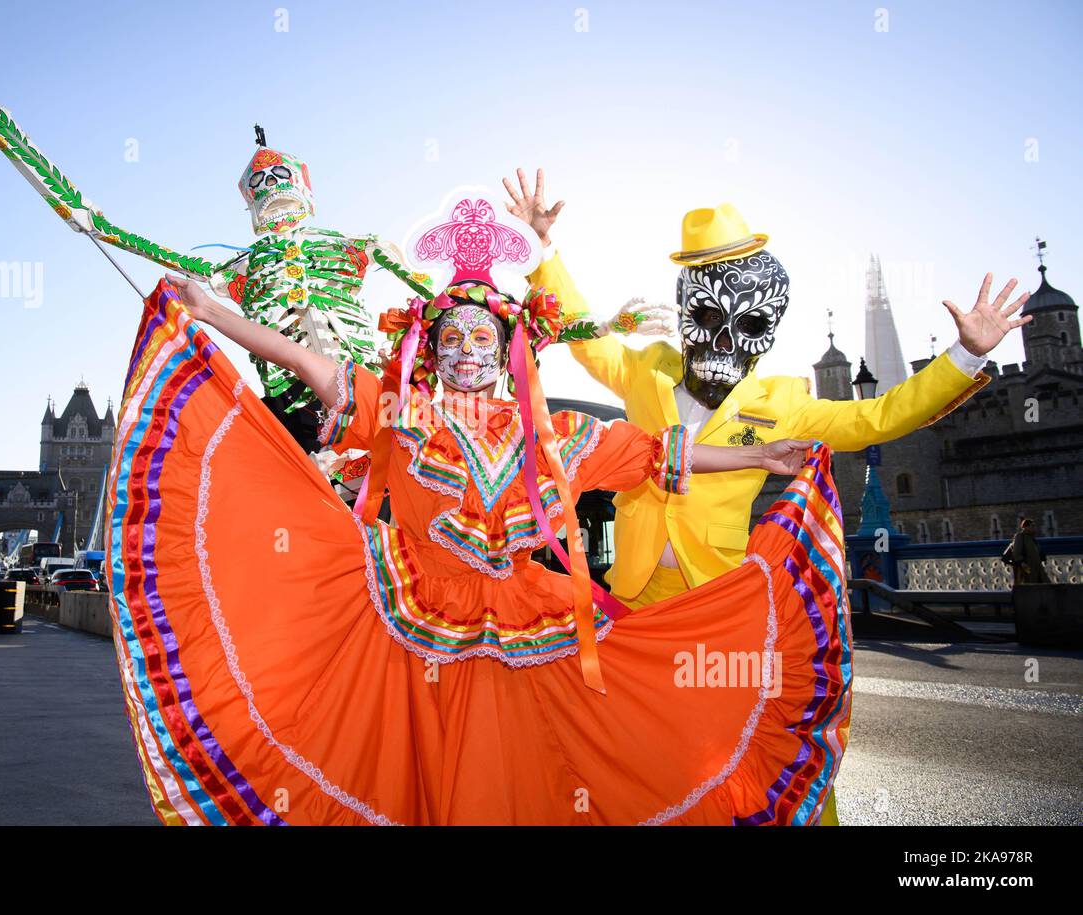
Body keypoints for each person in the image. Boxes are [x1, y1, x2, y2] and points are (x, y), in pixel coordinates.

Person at [103, 194, 852, 826]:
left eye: (482, 336)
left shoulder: (553, 436)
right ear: (429, 352)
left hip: (532, 631)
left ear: (507, 352)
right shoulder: (404, 414)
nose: (467, 349)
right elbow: (309, 363)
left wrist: (761, 455)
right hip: (415, 634)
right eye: (452, 337)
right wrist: (211, 311)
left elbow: (661, 454)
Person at [503, 168, 1033, 826]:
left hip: (722, 597)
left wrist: (965, 356)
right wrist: (542, 251)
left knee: (751, 738)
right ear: (688, 311)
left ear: (769, 325)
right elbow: (585, 333)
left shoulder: (782, 401)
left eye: (748, 321)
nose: (725, 338)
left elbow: (875, 418)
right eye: (708, 316)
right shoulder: (645, 369)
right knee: (630, 742)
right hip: (635, 596)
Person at [1006, 518, 1051, 585]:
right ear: (1025, 527)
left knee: (1044, 584)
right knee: (1030, 585)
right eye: (1032, 526)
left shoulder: (1031, 538)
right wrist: (1022, 562)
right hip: (1027, 567)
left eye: (1034, 526)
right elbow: (1017, 551)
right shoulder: (1020, 536)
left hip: (1037, 567)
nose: (1034, 528)